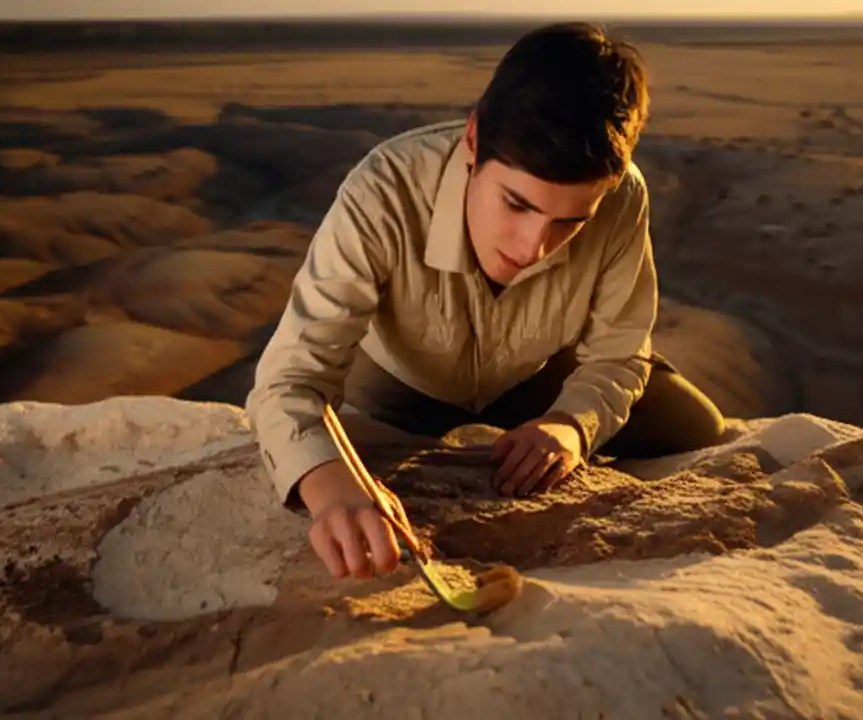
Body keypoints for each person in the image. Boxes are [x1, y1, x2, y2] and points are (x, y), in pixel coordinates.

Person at [246, 22, 726, 582]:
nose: (535, 247)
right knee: (320, 449)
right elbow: (289, 381)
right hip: (398, 384)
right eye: (517, 204)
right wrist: (330, 492)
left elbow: (621, 351)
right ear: (473, 140)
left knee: (694, 423)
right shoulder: (382, 189)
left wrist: (572, 425)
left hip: (534, 378)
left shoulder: (623, 197)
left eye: (570, 222)